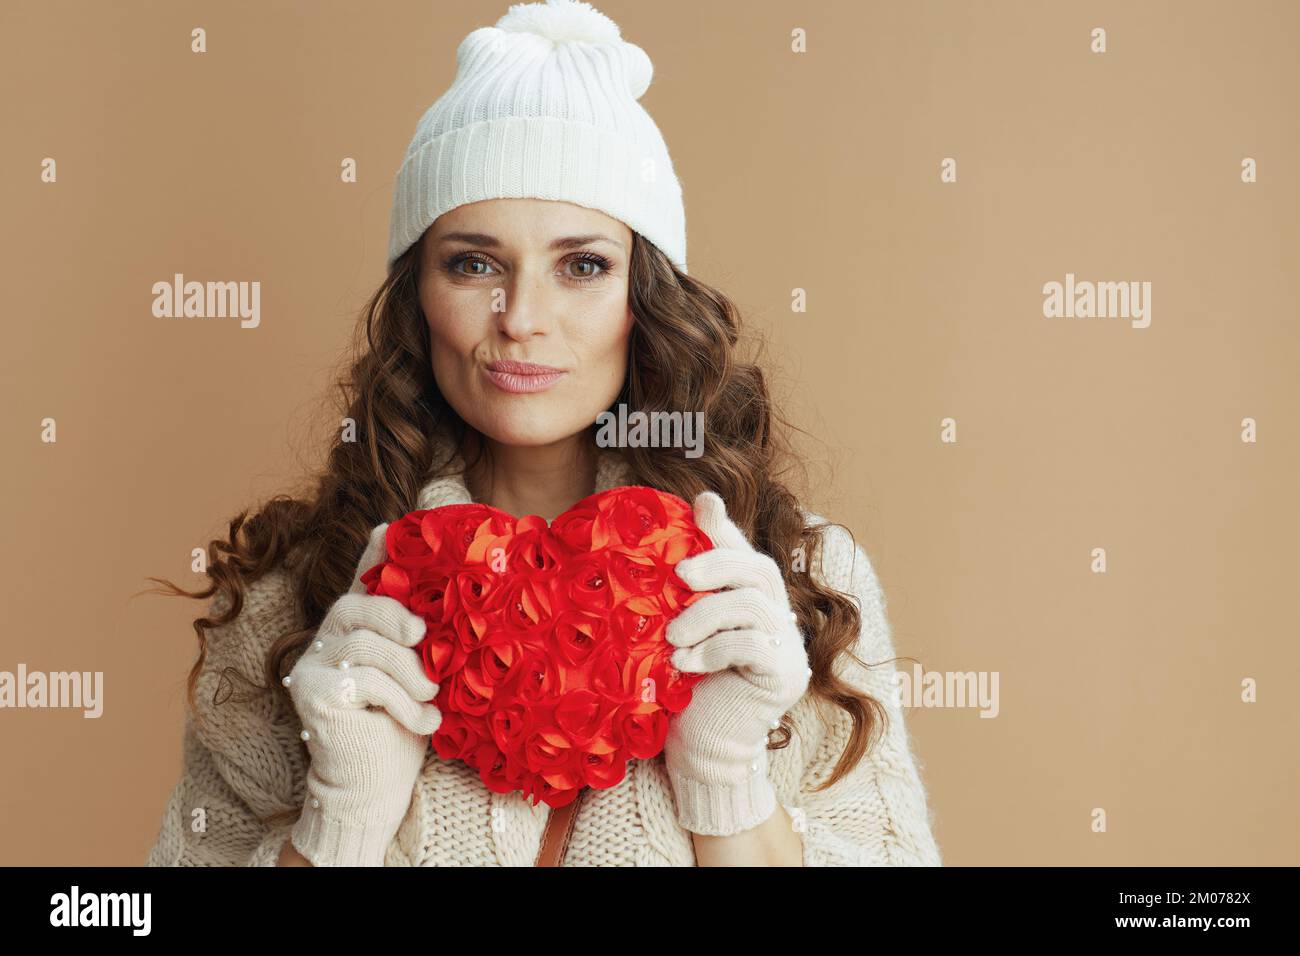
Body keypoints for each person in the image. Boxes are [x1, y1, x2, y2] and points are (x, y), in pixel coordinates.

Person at [144, 0, 942, 867]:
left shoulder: (802, 584)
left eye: (583, 265)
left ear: (647, 297)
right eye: (473, 263)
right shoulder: (289, 604)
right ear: (418, 295)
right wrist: (344, 817)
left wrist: (723, 775)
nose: (521, 318)